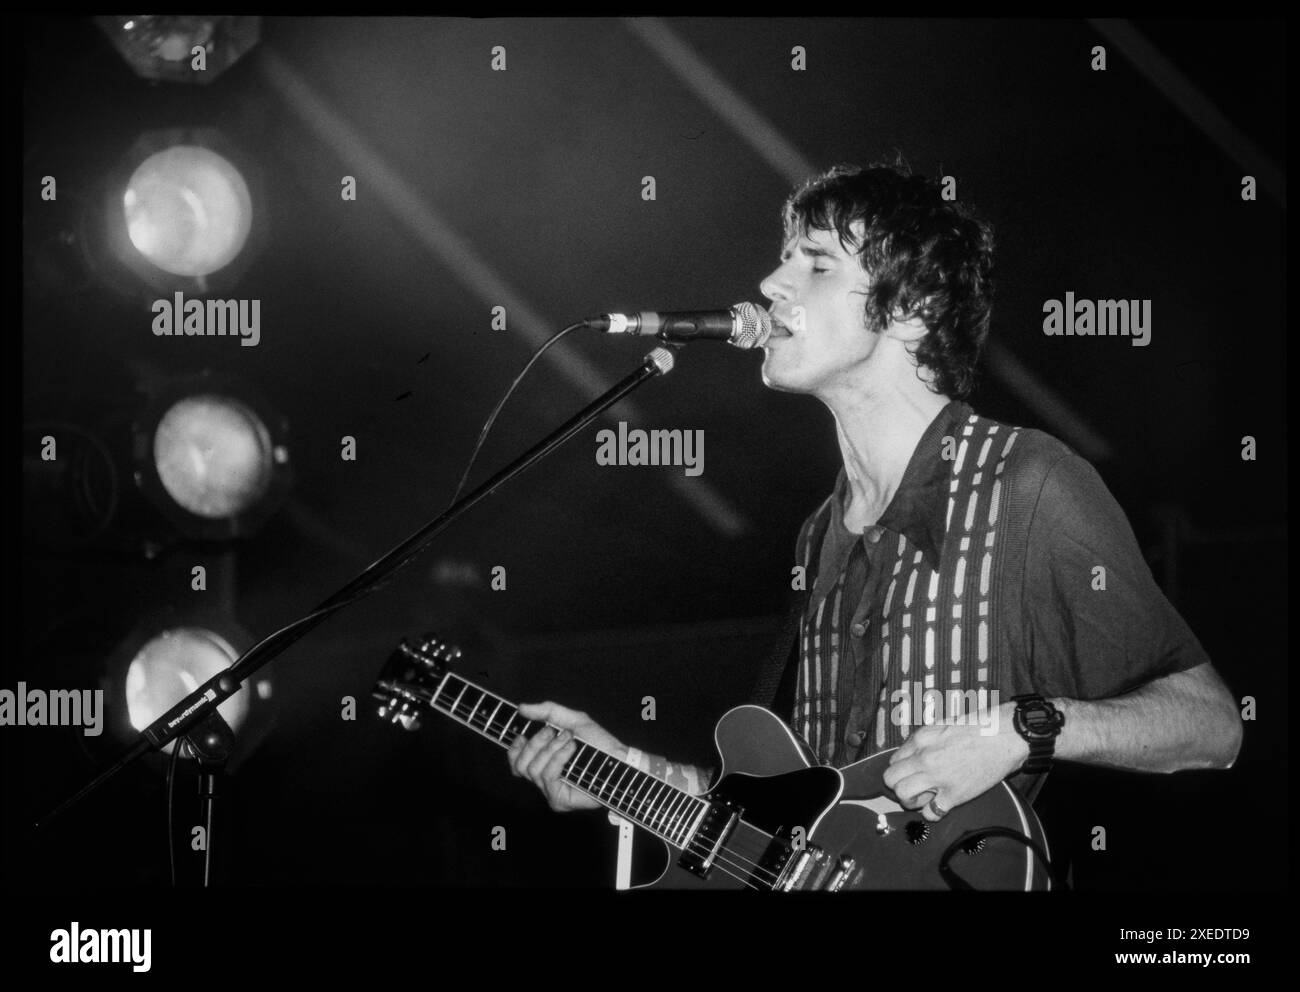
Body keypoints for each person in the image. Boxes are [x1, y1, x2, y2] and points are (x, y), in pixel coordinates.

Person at [507, 162, 1241, 838]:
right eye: (785, 256)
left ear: (912, 308)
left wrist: (1023, 728)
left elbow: (1212, 726)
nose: (770, 283)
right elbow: (804, 817)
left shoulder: (1027, 482)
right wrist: (630, 775)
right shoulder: (819, 535)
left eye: (816, 262)